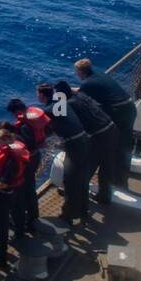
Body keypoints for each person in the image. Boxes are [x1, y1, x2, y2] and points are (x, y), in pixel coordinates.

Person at [55, 80, 120, 205]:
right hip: (111, 128)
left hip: (99, 136)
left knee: (86, 166)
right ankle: (104, 196)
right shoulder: (81, 96)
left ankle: (77, 194)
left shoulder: (70, 105)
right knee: (106, 166)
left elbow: (72, 125)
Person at [75, 58, 136, 188]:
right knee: (124, 146)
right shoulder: (100, 75)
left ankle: (84, 184)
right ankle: (121, 181)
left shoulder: (87, 84)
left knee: (101, 148)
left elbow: (80, 98)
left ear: (80, 71)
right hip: (129, 109)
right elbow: (83, 90)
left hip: (118, 113)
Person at [37, 82, 91, 225]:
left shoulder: (48, 110)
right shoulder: (61, 102)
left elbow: (44, 130)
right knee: (81, 178)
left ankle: (68, 215)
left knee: (70, 181)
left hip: (74, 145)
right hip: (83, 140)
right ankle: (84, 210)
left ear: (42, 95)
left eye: (38, 94)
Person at [0, 128, 30, 267]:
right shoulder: (6, 153)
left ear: (8, 140)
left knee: (1, 227)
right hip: (2, 195)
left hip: (3, 197)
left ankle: (0, 259)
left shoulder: (11, 160)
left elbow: (4, 183)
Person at [7, 98, 51, 228]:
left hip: (28, 160)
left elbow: (27, 144)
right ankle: (33, 215)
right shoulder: (33, 120)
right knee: (30, 187)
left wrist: (14, 138)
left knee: (24, 189)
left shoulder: (24, 126)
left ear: (17, 111)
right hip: (36, 156)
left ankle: (29, 219)